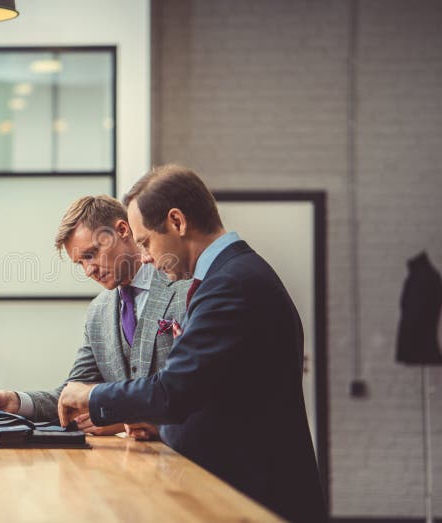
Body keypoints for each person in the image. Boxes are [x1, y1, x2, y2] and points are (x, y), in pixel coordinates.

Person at [58, 165, 327, 522]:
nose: (148, 258)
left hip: (258, 495)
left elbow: (174, 391)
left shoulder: (229, 285)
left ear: (177, 222)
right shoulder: (230, 275)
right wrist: (157, 424)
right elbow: (217, 395)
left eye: (146, 242)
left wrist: (93, 397)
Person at [0, 194, 191, 438]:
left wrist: (124, 417)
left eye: (91, 254)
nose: (89, 271)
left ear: (122, 230)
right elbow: (72, 393)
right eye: (80, 263)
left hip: (194, 464)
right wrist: (19, 402)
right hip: (130, 465)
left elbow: (201, 392)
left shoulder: (187, 288)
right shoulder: (98, 312)